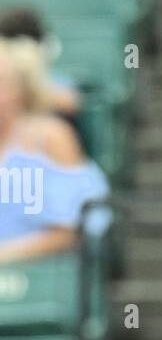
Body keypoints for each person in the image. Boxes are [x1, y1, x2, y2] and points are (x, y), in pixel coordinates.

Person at [0, 37, 109, 264]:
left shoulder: (52, 136)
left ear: (19, 91)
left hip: (43, 278)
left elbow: (66, 233)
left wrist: (6, 255)